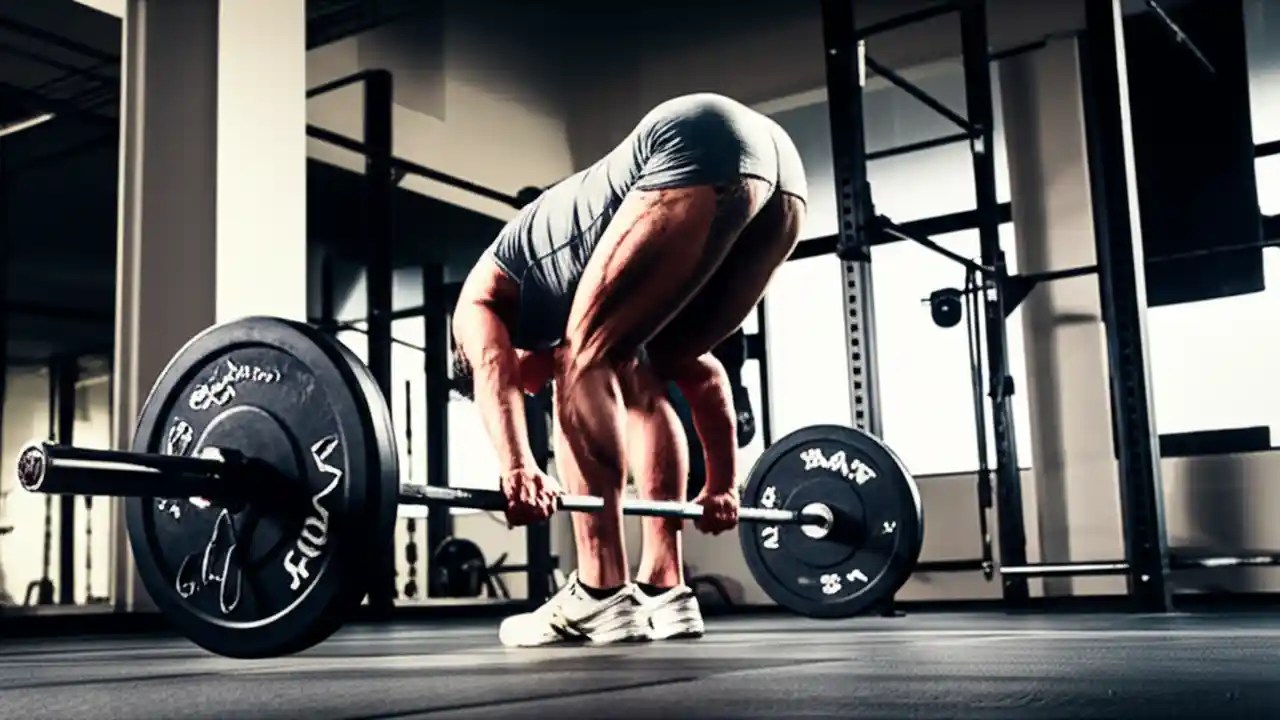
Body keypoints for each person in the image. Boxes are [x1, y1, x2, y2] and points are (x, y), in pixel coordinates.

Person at [451, 93, 807, 647]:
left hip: (690, 139)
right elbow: (706, 378)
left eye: (529, 383)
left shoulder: (482, 296)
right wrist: (720, 487)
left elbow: (493, 366)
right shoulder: (598, 302)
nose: (534, 387)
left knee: (582, 357)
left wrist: (518, 466)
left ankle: (599, 592)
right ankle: (667, 589)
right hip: (783, 178)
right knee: (650, 371)